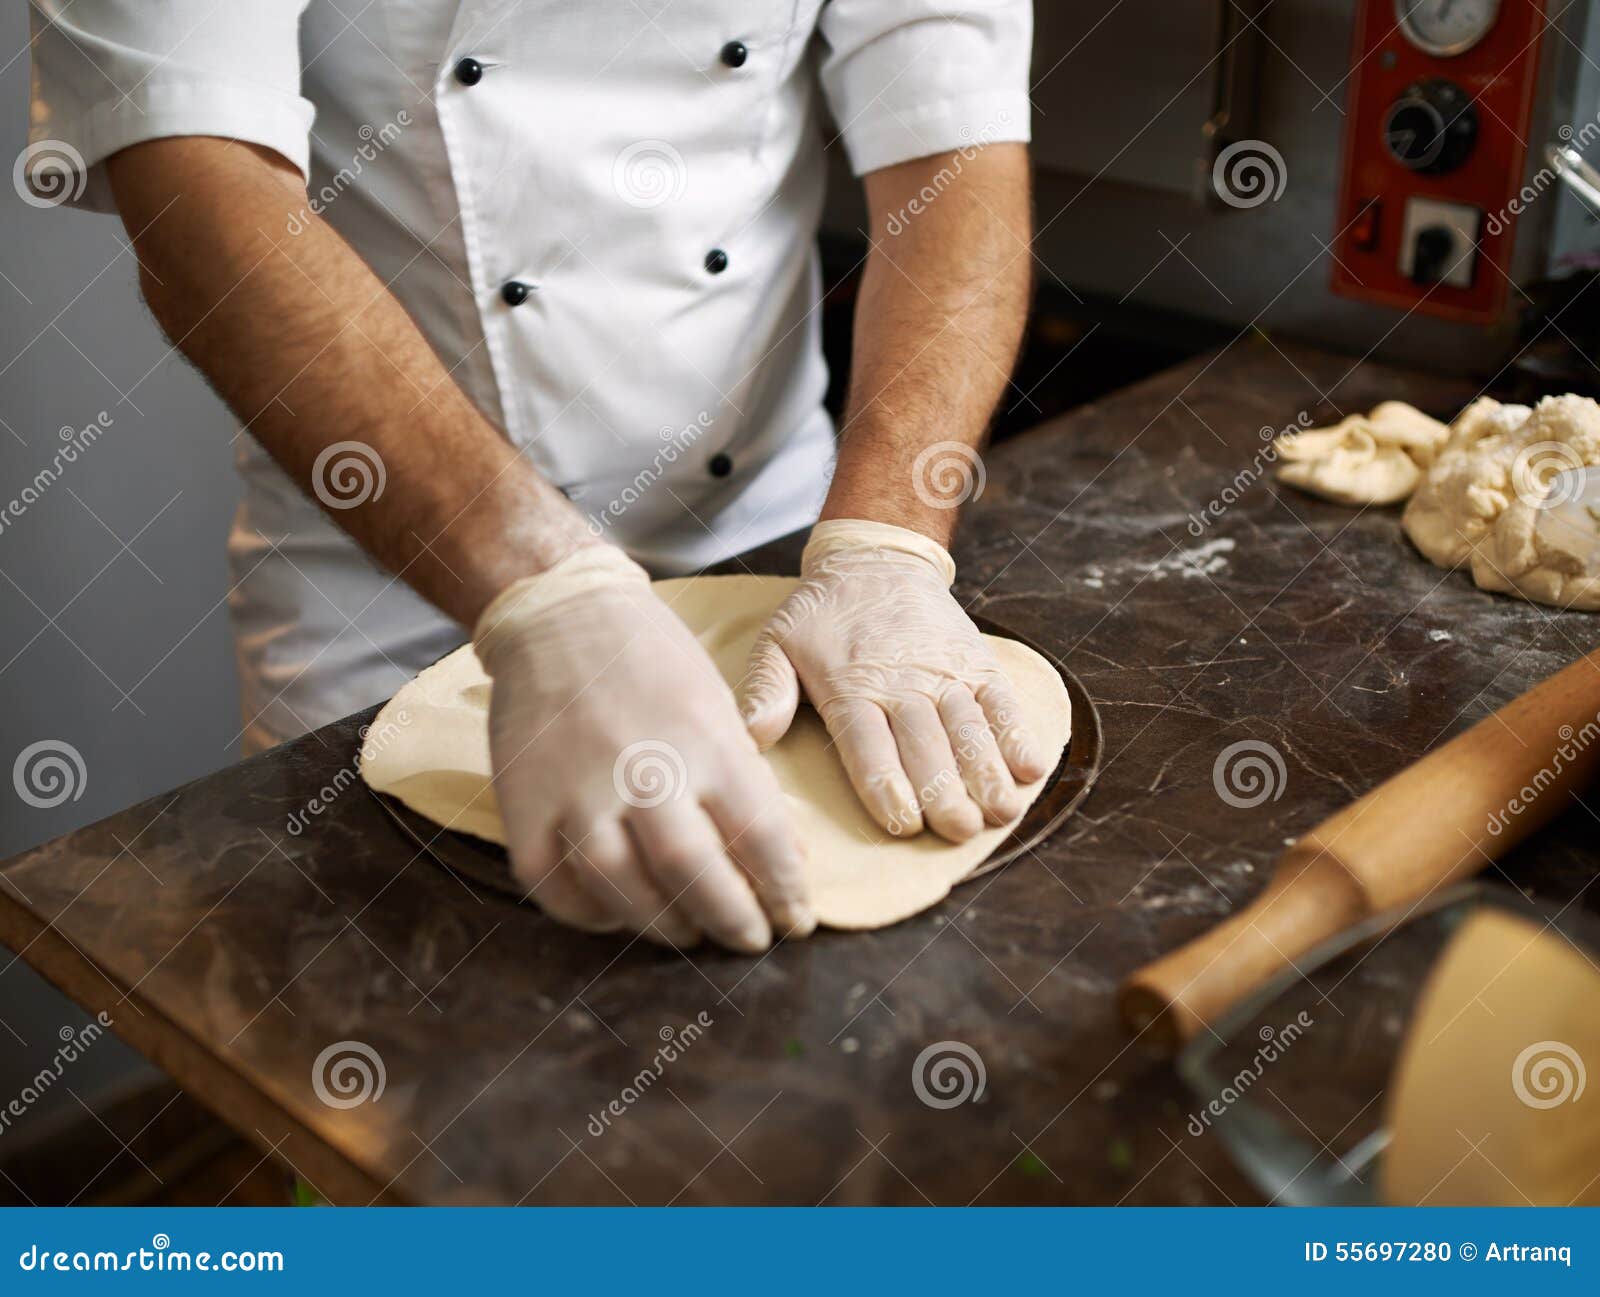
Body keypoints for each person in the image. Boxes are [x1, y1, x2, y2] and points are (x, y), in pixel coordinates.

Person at [27, 0, 1045, 953]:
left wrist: (886, 541)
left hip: (777, 532)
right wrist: (548, 599)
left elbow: (950, 139)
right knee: (401, 1029)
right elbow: (197, 184)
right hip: (389, 591)